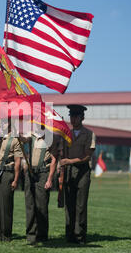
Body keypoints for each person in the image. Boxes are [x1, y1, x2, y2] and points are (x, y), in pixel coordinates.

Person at [59, 105, 96, 244]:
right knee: (69, 205)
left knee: (80, 206)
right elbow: (61, 151)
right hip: (69, 171)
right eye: (71, 116)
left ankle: (80, 236)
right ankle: (69, 235)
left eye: (76, 116)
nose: (73, 119)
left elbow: (87, 156)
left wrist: (70, 161)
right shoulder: (66, 133)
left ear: (82, 118)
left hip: (82, 171)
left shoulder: (89, 134)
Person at [0, 118, 23, 242]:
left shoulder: (15, 139)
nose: (3, 124)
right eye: (1, 121)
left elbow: (17, 161)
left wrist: (16, 179)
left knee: (6, 204)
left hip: (7, 172)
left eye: (6, 121)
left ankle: (6, 234)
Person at [20, 127, 60, 245]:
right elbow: (23, 139)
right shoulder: (31, 134)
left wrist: (49, 179)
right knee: (30, 204)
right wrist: (18, 135)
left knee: (42, 205)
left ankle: (42, 235)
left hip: (43, 173)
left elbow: (54, 160)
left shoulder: (50, 137)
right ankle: (31, 235)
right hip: (30, 173)